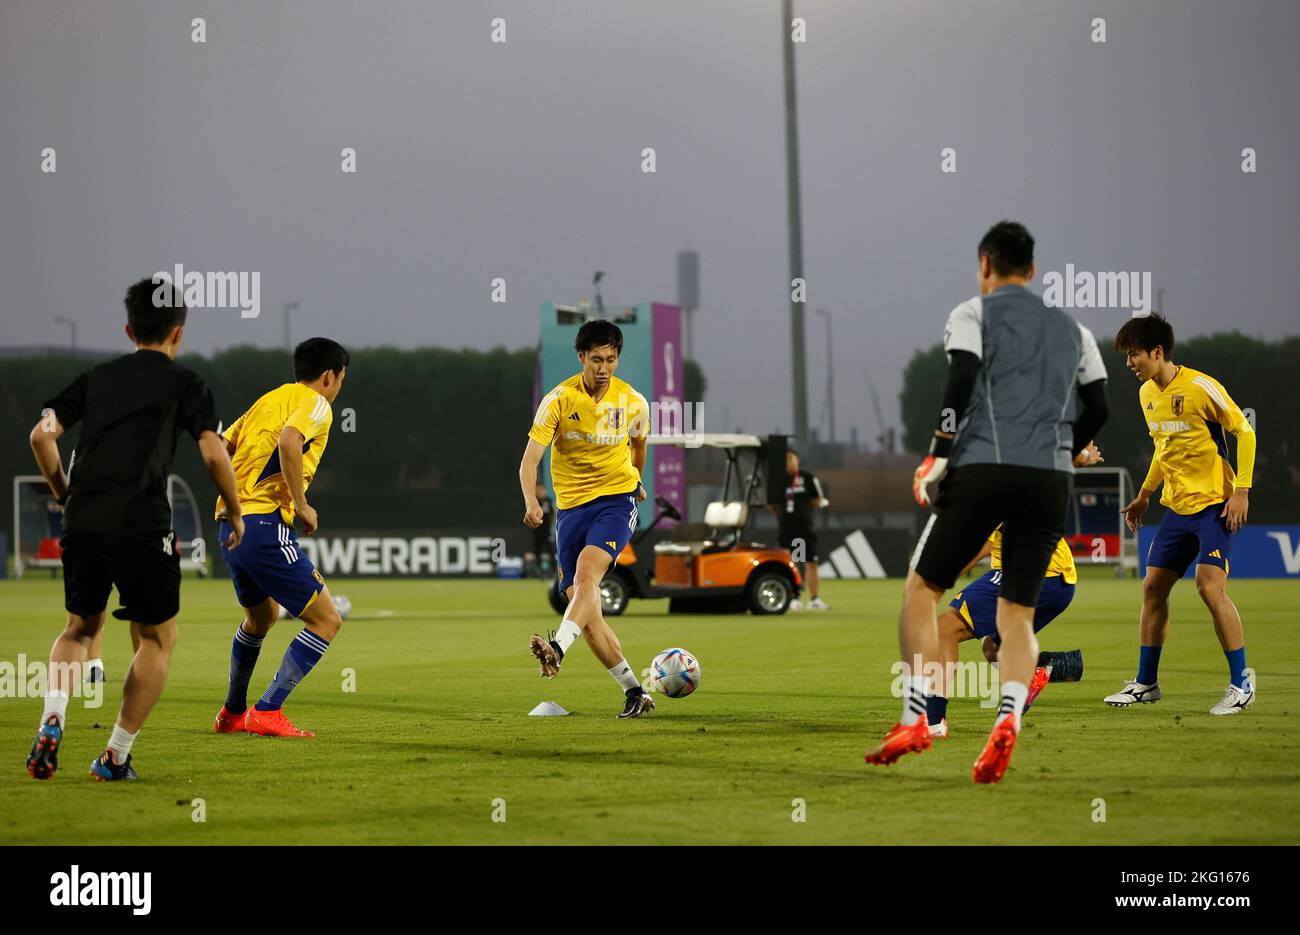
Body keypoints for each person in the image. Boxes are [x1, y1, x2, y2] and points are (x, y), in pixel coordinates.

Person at [864, 220, 1110, 783]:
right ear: (1033, 270)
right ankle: (1006, 723)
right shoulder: (1073, 329)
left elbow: (961, 383)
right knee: (1017, 615)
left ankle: (917, 718)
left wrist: (936, 455)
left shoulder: (972, 313)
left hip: (986, 466)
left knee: (922, 589)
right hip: (1048, 481)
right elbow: (1099, 407)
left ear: (984, 265)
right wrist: (1060, 446)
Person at [26, 276, 243, 781]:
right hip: (142, 522)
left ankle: (52, 717)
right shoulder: (187, 384)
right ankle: (115, 756)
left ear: (129, 329)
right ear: (178, 333)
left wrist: (63, 494)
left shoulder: (96, 378)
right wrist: (234, 511)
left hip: (83, 518)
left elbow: (41, 435)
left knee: (79, 627)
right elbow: (213, 452)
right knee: (158, 638)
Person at [1106, 312, 1256, 715]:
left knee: (1209, 588)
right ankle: (1146, 683)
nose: (1129, 363)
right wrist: (1143, 496)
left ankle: (1242, 685)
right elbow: (1164, 448)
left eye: (1134, 354)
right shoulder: (1145, 396)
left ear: (1157, 352)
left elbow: (1245, 431)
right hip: (1177, 508)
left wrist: (1241, 491)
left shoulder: (1201, 387)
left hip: (1214, 506)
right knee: (1153, 588)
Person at [211, 338, 349, 738]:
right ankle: (267, 709)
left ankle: (232, 712)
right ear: (329, 376)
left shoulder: (267, 400)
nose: (339, 388)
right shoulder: (317, 404)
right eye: (341, 379)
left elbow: (220, 447)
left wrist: (231, 497)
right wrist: (302, 505)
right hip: (264, 525)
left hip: (230, 525)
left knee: (261, 618)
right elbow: (291, 441)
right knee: (327, 620)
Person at [519, 319, 654, 718]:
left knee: (586, 577)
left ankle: (557, 647)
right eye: (596, 359)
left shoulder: (633, 402)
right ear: (581, 357)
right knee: (585, 607)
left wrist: (637, 482)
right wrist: (531, 501)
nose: (603, 368)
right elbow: (529, 461)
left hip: (615, 502)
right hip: (572, 510)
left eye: (611, 359)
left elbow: (638, 446)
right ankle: (636, 692)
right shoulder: (558, 400)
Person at [928, 514, 1094, 738]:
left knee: (945, 630)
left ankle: (933, 723)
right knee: (992, 648)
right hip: (1058, 583)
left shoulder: (993, 487)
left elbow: (980, 548)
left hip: (1036, 573)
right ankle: (1040, 669)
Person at [777, 448, 830, 611]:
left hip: (804, 529)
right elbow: (772, 504)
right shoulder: (778, 480)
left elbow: (818, 499)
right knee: (793, 563)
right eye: (785, 459)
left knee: (810, 562)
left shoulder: (807, 478)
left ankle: (814, 600)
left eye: (790, 458)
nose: (788, 462)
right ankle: (794, 598)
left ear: (797, 460)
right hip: (787, 530)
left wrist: (805, 511)